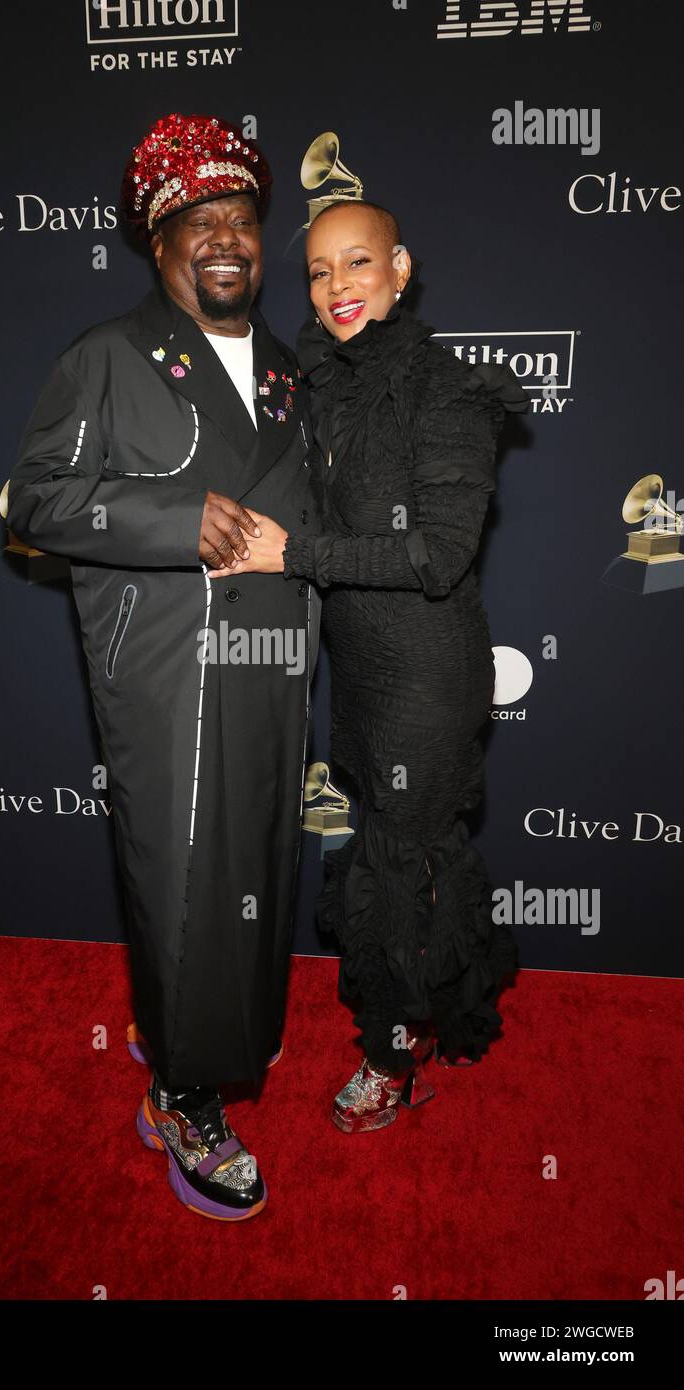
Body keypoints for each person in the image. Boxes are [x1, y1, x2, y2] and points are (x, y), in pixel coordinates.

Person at [6, 113, 321, 1216]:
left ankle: (217, 1033)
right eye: (200, 221)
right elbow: (34, 502)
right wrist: (172, 520)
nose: (226, 238)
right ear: (159, 242)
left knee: (255, 865)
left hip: (272, 665)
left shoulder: (289, 370)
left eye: (242, 218)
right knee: (182, 876)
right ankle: (182, 1096)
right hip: (169, 672)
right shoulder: (105, 356)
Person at [212, 197, 529, 1133]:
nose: (337, 286)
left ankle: (393, 1058)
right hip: (359, 668)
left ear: (401, 269)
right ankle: (427, 1009)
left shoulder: (446, 389)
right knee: (404, 849)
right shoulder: (322, 382)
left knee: (400, 859)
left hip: (429, 675)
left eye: (358, 262)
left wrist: (292, 554)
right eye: (318, 271)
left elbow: (438, 554)